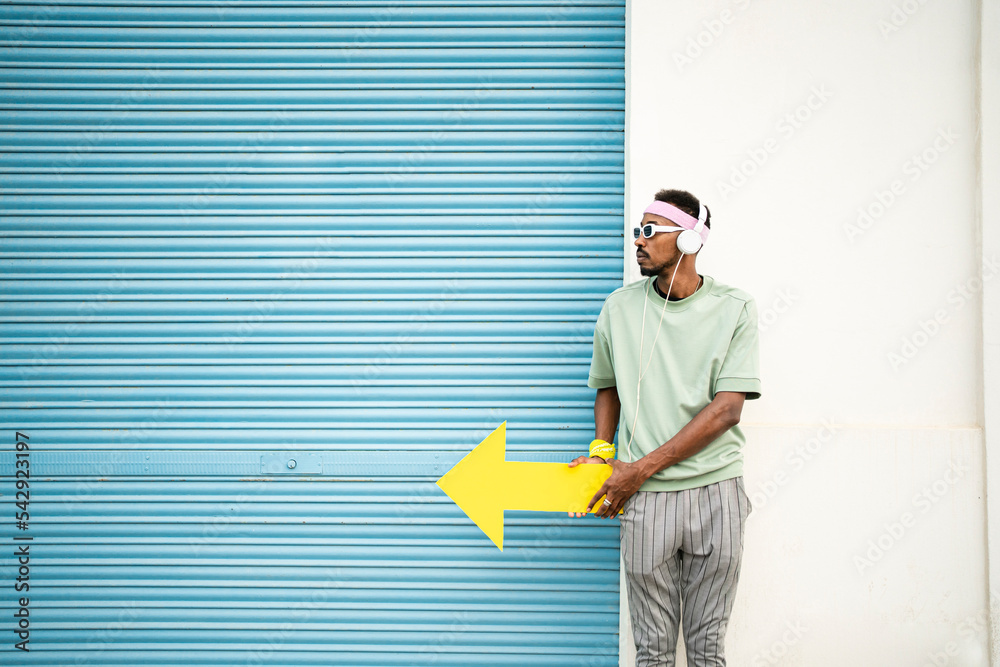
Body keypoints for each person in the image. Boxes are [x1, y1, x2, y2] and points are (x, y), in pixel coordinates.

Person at [569, 188, 761, 666]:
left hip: (717, 493)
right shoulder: (618, 307)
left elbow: (727, 410)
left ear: (691, 240)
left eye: (650, 230)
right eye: (638, 229)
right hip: (646, 499)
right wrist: (601, 452)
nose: (638, 239)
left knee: (706, 649)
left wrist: (640, 468)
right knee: (652, 652)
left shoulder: (735, 308)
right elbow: (607, 385)